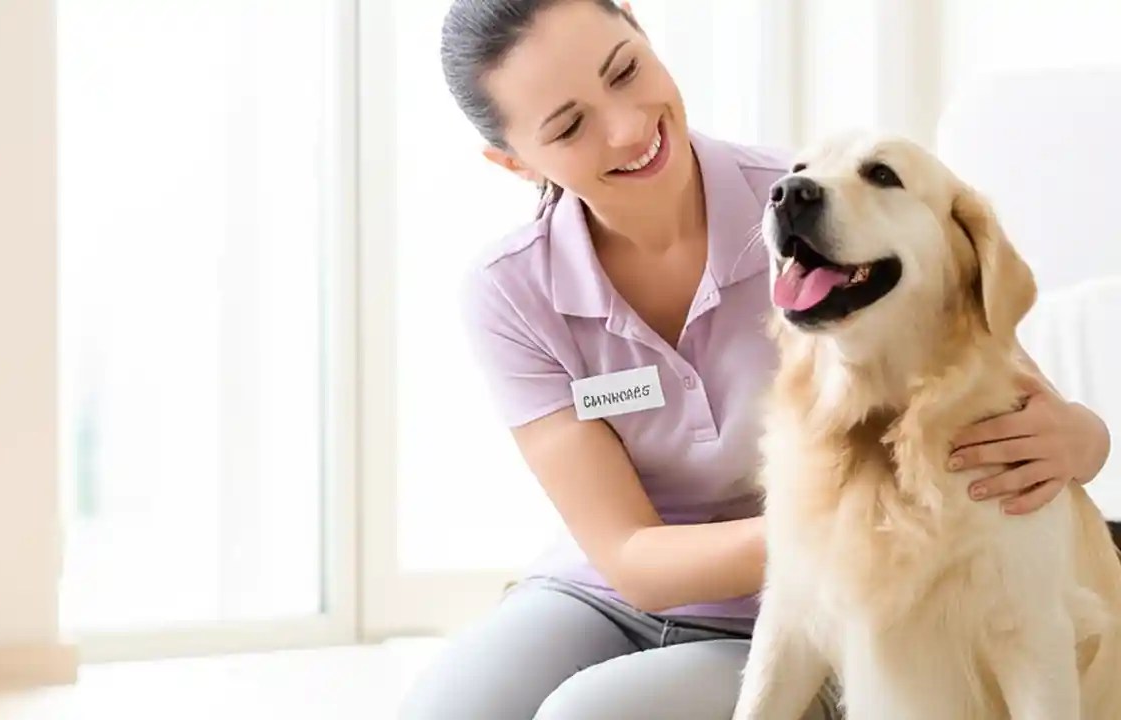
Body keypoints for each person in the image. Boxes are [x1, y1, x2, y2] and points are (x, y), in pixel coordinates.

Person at [400, 1, 1115, 718]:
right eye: (569, 126)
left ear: (641, 30)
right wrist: (839, 524)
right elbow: (629, 556)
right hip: (598, 595)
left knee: (587, 715)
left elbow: (996, 375)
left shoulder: (823, 204)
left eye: (624, 72)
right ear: (515, 162)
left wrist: (1084, 438)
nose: (626, 128)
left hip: (801, 615)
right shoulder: (512, 288)